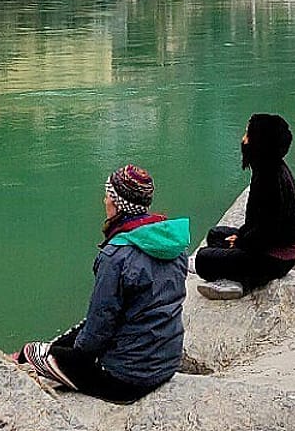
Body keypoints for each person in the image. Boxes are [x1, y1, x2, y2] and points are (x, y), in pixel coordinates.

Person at [15, 165, 189, 402]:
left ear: (118, 205)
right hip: (168, 362)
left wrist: (64, 356)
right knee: (72, 336)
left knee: (32, 352)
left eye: (108, 195)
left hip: (127, 379)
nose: (104, 200)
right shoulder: (173, 243)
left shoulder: (116, 256)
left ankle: (19, 360)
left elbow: (99, 328)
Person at [195, 113, 295, 299]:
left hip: (274, 259)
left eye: (247, 135)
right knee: (215, 234)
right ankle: (238, 274)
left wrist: (240, 242)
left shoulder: (269, 178)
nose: (243, 139)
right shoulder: (270, 168)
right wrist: (240, 236)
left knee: (203, 259)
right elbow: (259, 223)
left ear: (259, 142)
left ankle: (241, 282)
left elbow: (267, 232)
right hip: (268, 248)